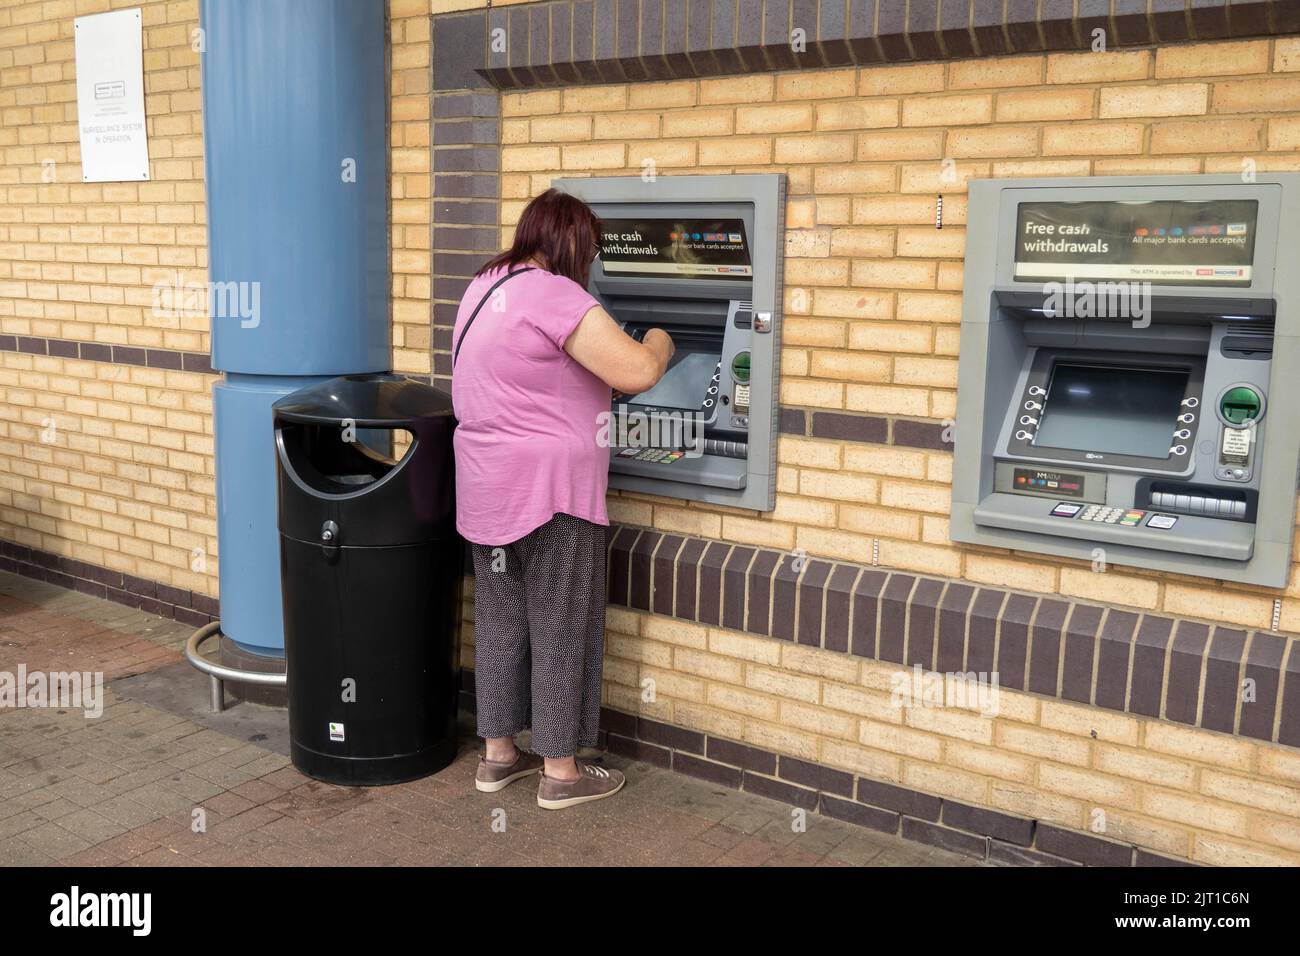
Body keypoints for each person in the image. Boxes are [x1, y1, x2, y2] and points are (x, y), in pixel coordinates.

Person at [451, 188, 675, 809]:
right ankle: (562, 772)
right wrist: (659, 337)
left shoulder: (484, 286)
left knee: (500, 620)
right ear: (573, 242)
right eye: (593, 250)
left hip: (485, 491)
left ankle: (498, 758)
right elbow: (636, 371)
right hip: (551, 498)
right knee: (562, 625)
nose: (594, 264)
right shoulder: (553, 292)